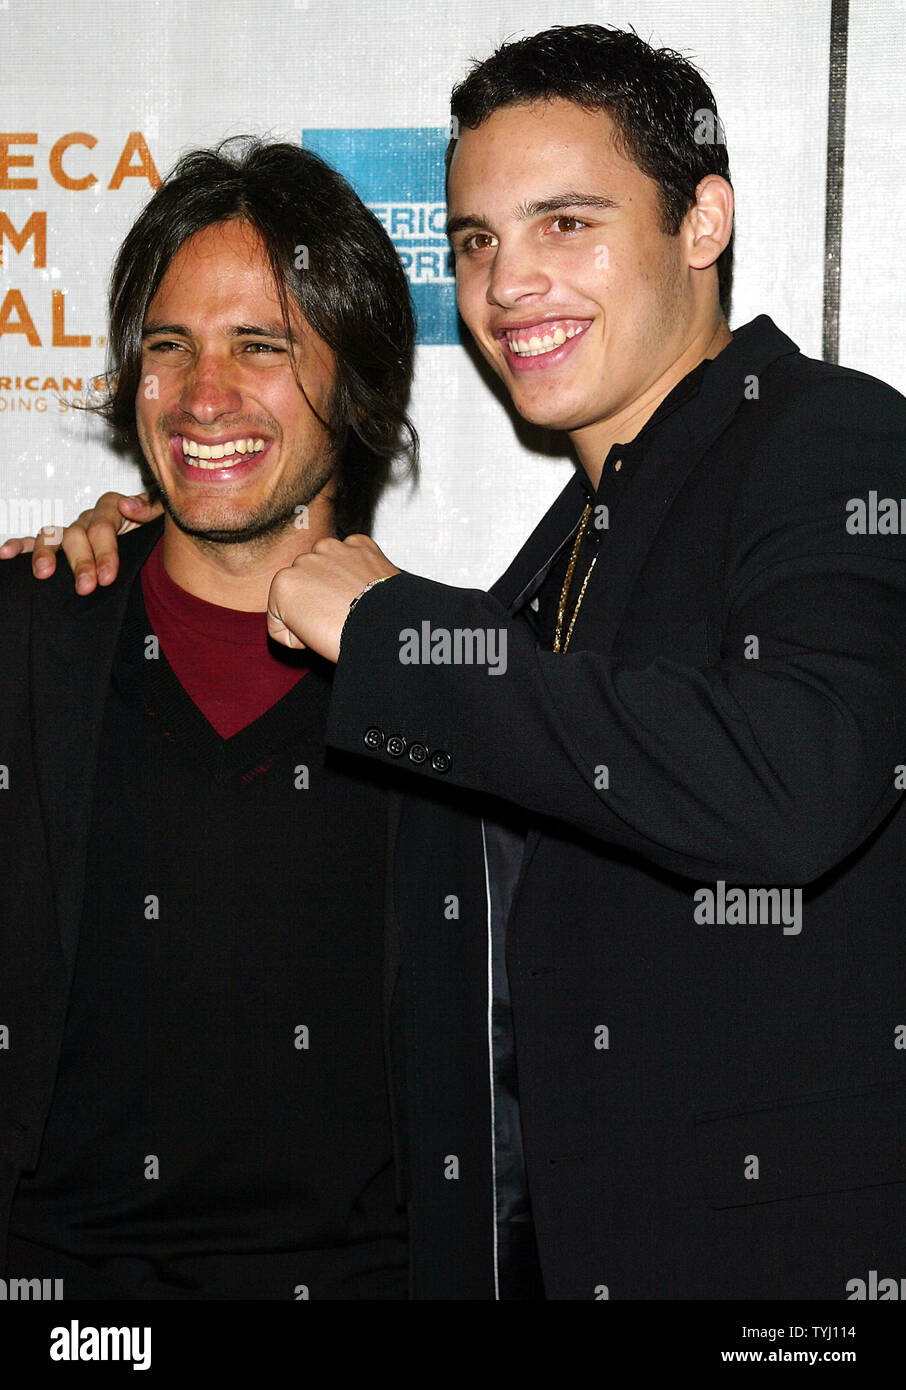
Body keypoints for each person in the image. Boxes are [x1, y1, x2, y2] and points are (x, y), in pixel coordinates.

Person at [9, 24, 906, 1300]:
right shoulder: (558, 559)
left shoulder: (831, 439)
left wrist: (391, 636)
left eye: (566, 223)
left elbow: (798, 776)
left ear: (702, 220)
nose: (509, 281)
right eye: (478, 239)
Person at [0, 135, 495, 1301]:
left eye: (260, 346)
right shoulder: (26, 636)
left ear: (357, 382)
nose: (203, 395)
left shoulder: (465, 680)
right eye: (169, 346)